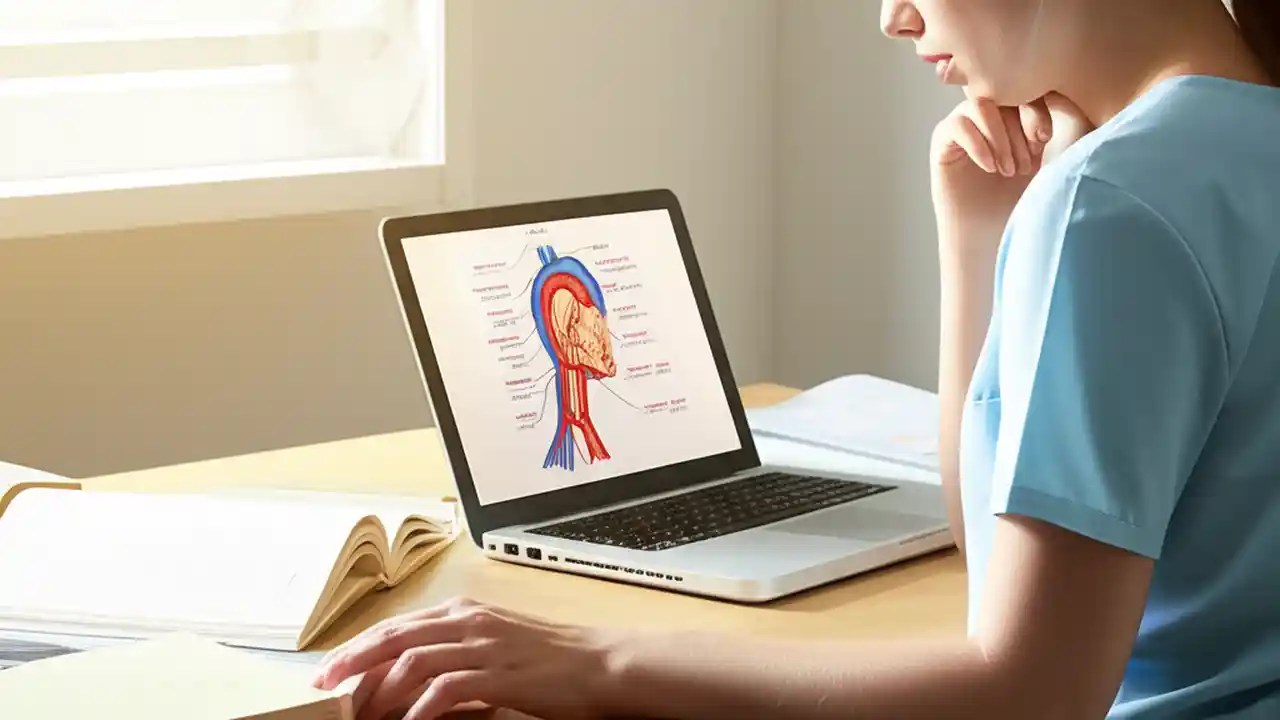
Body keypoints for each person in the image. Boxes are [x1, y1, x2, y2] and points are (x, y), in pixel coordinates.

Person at [314, 1, 1280, 717]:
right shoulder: (1209, 149)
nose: (893, 17)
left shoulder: (1111, 205)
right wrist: (977, 231)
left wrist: (595, 661)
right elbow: (996, 551)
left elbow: (1030, 688)